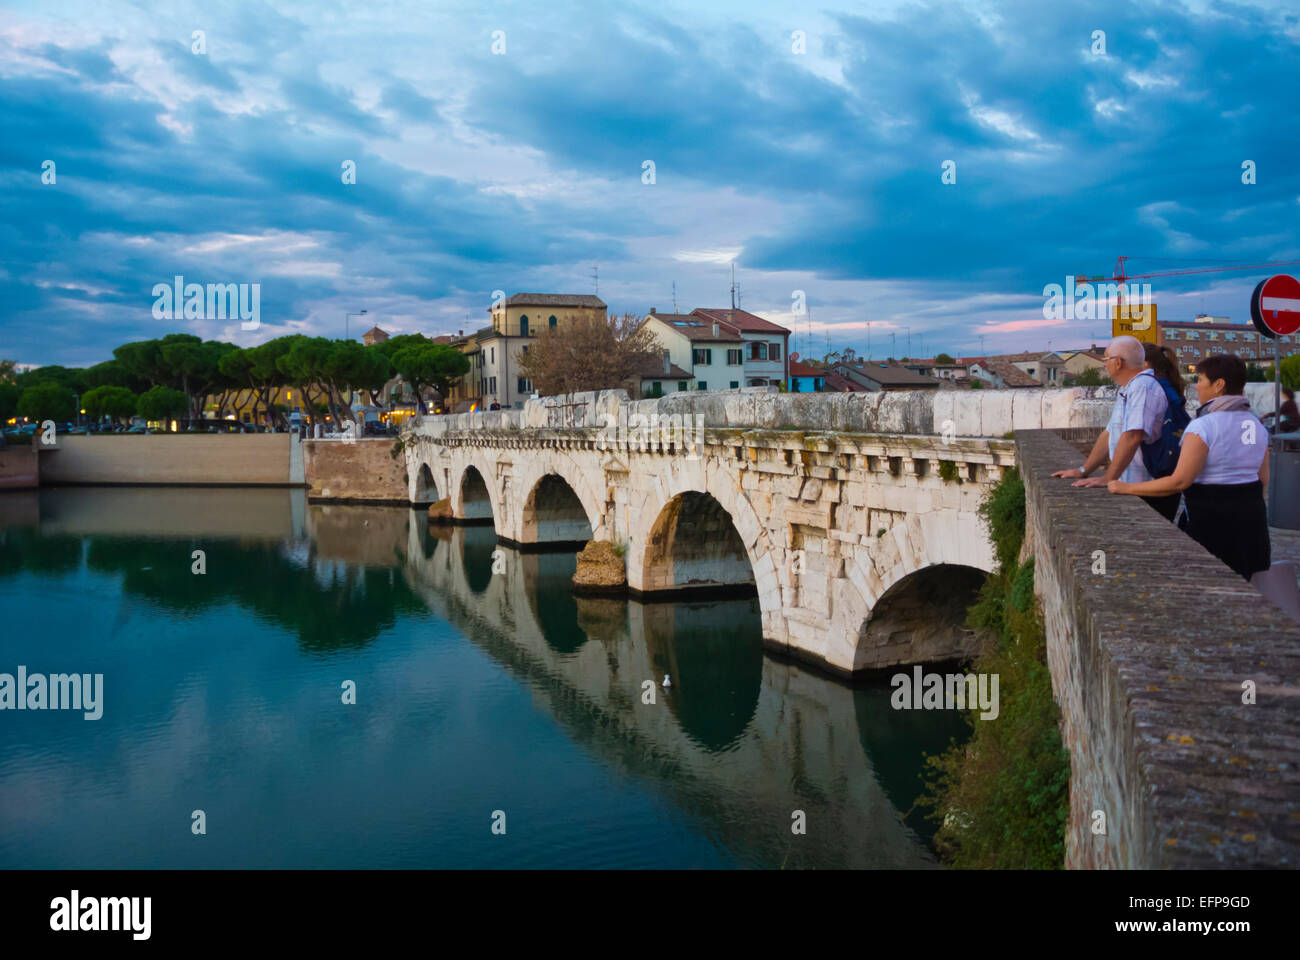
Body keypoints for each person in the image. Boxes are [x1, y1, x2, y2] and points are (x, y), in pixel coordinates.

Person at [1108, 354, 1270, 580]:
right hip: (1252, 523)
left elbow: (1179, 481)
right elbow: (1262, 480)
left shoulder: (1203, 426)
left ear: (1219, 385)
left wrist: (1124, 488)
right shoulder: (1256, 424)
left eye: (1201, 380)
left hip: (1213, 523)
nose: (1196, 387)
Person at [1052, 335, 1175, 519]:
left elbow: (1133, 437)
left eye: (1106, 359)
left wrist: (1108, 478)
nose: (1104, 364)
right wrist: (1083, 471)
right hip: (1130, 486)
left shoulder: (1143, 387)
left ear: (1118, 362)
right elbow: (1109, 433)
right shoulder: (1127, 389)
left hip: (1146, 489)